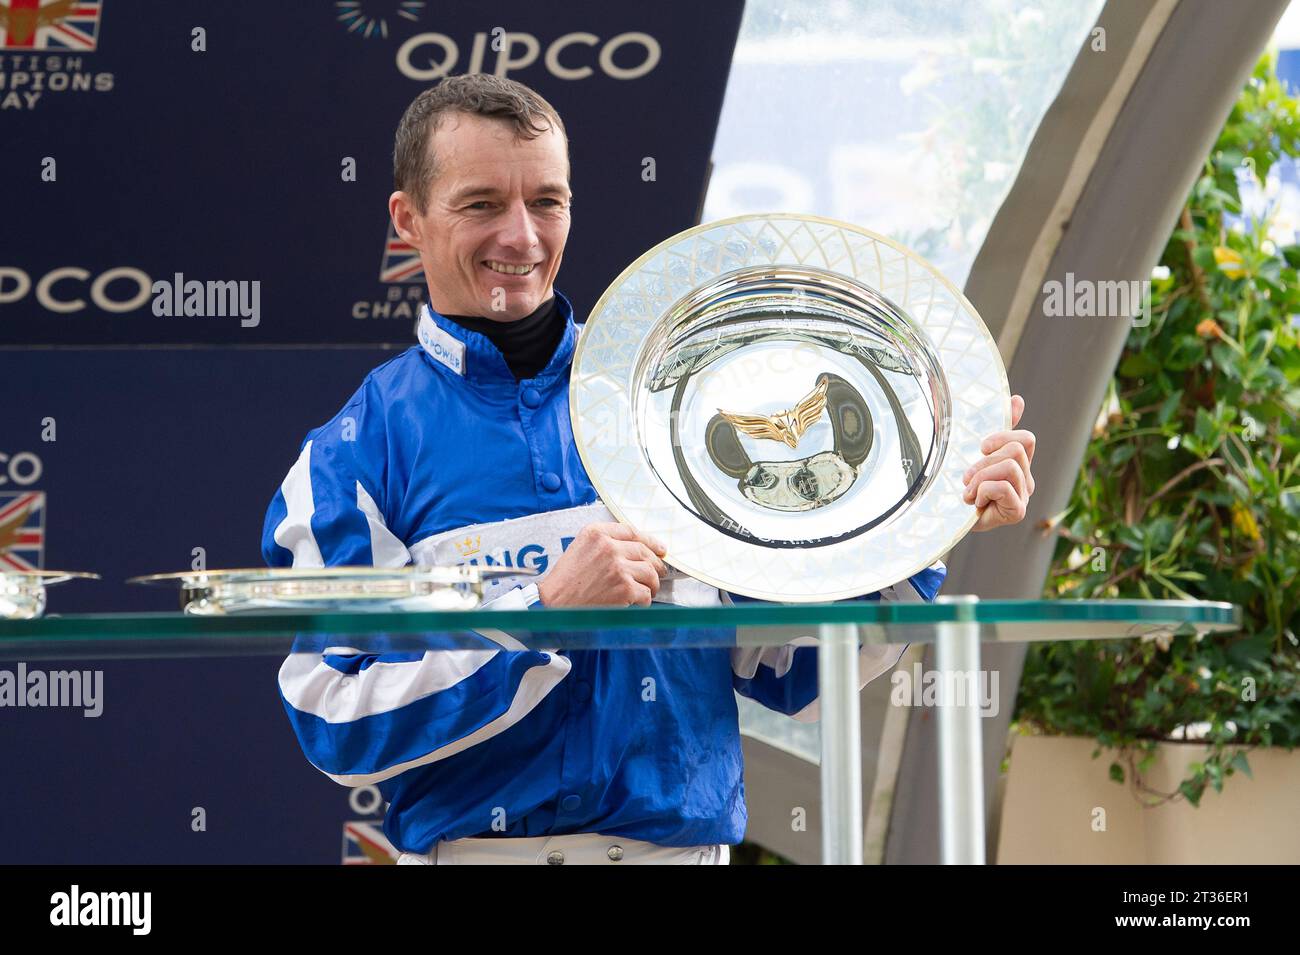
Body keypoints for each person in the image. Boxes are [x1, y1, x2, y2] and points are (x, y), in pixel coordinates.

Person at [261, 73, 1037, 866]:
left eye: (548, 201)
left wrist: (923, 519)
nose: (523, 237)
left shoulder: (672, 404)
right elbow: (336, 720)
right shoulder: (353, 454)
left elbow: (788, 672)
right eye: (482, 203)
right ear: (408, 219)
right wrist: (542, 614)